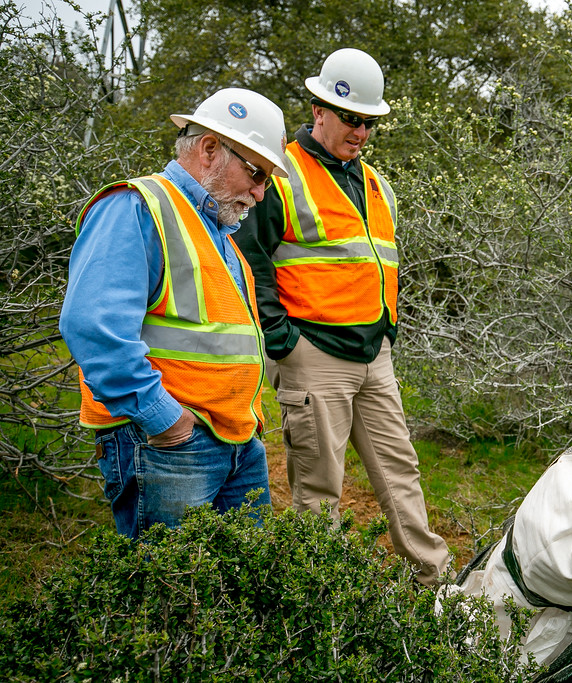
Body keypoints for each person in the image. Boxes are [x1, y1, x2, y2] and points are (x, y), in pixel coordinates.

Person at [234, 48, 450, 587]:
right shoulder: (279, 174)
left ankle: (438, 583)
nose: (359, 131)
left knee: (401, 472)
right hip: (313, 355)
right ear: (318, 111)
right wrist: (283, 340)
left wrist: (386, 332)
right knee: (319, 484)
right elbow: (248, 259)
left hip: (373, 354)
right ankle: (320, 596)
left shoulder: (375, 183)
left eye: (369, 122)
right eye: (350, 118)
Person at [60, 88, 289, 539]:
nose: (261, 193)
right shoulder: (138, 206)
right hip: (172, 446)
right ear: (209, 149)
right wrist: (167, 421)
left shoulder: (220, 234)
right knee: (174, 600)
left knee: (243, 597)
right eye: (256, 173)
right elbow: (93, 326)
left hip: (238, 443)